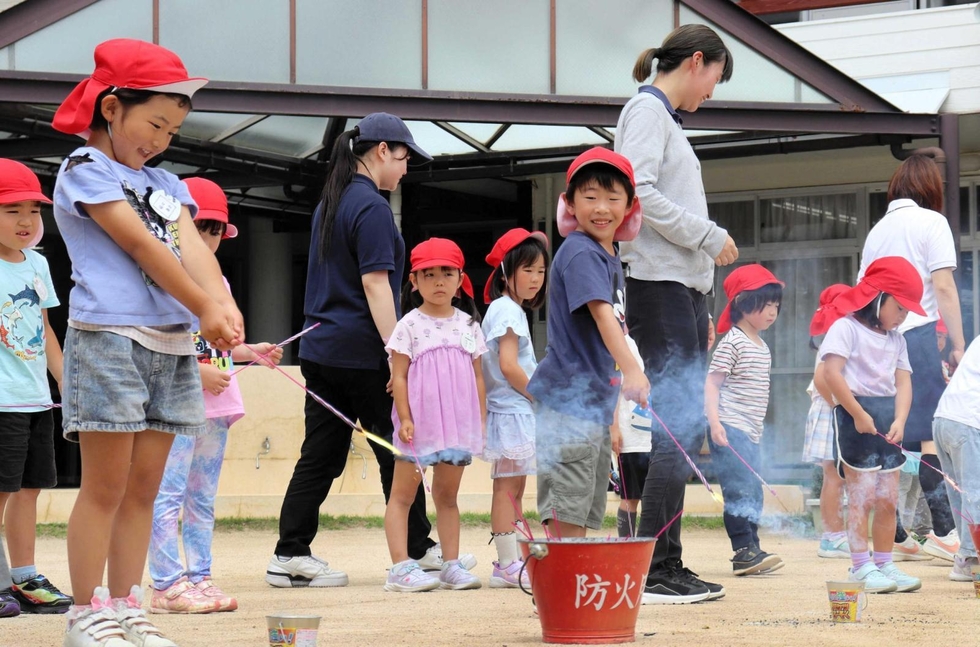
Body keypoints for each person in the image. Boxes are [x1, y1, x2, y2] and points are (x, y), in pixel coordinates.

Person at [51, 38, 244, 647]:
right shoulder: (84, 169)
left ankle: (128, 605)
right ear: (112, 108)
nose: (161, 140)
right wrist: (205, 307)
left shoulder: (167, 182)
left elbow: (193, 252)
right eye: (154, 123)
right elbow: (143, 246)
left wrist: (227, 306)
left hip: (168, 345)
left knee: (143, 489)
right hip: (108, 337)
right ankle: (85, 612)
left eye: (172, 129)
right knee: (104, 487)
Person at [267, 114, 460, 589]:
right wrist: (402, 354)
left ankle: (290, 551)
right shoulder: (371, 208)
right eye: (404, 157)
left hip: (323, 349)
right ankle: (415, 550)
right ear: (381, 151)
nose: (406, 168)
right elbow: (376, 285)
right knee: (401, 448)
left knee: (322, 453)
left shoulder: (331, 202)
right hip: (360, 351)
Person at [616, 25, 736, 603]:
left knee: (681, 426)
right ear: (696, 61)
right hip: (658, 285)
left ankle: (665, 562)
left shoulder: (666, 119)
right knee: (677, 424)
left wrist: (701, 289)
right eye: (715, 78)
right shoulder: (647, 111)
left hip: (679, 288)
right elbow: (635, 191)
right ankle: (657, 565)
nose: (712, 92)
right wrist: (708, 236)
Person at [148, 178, 283, 614]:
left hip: (217, 409)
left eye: (215, 230)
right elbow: (154, 343)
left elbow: (221, 343)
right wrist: (198, 372)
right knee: (167, 497)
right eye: (200, 226)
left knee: (201, 499)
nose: (206, 238)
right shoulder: (160, 278)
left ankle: (200, 578)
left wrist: (252, 351)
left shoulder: (218, 280)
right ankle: (167, 583)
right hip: (176, 405)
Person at [527, 147, 650, 542]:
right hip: (568, 401)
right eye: (590, 196)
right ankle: (562, 593)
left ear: (630, 205)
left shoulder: (608, 254)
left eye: (613, 198)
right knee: (569, 498)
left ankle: (570, 588)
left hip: (587, 402)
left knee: (584, 498)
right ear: (569, 203)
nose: (602, 208)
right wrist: (632, 370)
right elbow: (601, 315)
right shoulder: (581, 250)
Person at [858, 154, 962, 562]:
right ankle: (942, 527)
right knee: (927, 432)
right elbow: (944, 286)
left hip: (877, 337)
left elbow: (864, 292)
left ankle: (897, 532)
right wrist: (958, 342)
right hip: (916, 334)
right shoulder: (931, 223)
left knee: (889, 430)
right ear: (930, 188)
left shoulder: (877, 230)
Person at [384, 238, 487, 592]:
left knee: (447, 497)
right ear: (414, 281)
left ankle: (451, 565)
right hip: (419, 427)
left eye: (447, 273)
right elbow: (398, 376)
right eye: (429, 274)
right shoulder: (408, 326)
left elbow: (477, 376)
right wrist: (405, 417)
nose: (439, 281)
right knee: (402, 496)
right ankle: (399, 568)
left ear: (460, 279)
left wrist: (481, 419)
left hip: (457, 428)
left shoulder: (470, 325)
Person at [818, 257, 925, 594]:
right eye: (900, 307)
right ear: (878, 297)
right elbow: (831, 373)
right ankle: (860, 566)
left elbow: (904, 382)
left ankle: (885, 562)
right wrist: (857, 414)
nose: (903, 316)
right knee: (861, 497)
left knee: (888, 498)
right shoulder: (846, 328)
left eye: (908, 311)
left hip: (885, 417)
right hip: (854, 414)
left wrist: (901, 420)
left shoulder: (897, 340)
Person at [0, 159, 72, 615]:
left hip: (35, 399)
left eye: (33, 210)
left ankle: (24, 578)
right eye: (12, 210)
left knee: (29, 490)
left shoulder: (39, 264)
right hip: (1, 402)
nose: (26, 221)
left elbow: (45, 329)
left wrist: (66, 382)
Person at [705, 265, 785, 576]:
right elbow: (711, 384)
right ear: (742, 302)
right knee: (739, 490)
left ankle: (753, 545)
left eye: (776, 306)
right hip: (729, 428)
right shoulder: (732, 342)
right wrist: (715, 424)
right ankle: (742, 550)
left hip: (751, 433)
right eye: (766, 304)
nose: (772, 312)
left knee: (754, 490)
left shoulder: (762, 346)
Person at [480, 228, 548, 588]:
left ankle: (513, 558)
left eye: (540, 271)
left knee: (514, 490)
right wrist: (539, 396)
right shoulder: (508, 310)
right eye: (527, 270)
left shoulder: (506, 308)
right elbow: (508, 365)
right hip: (512, 410)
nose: (536, 279)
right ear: (507, 272)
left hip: (513, 410)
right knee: (507, 490)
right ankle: (506, 563)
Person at [805, 284, 851, 560]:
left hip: (832, 409)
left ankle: (834, 536)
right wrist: (839, 407)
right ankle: (832, 537)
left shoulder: (829, 332)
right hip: (830, 410)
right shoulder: (834, 332)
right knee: (834, 476)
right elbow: (822, 379)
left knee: (837, 477)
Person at [933, 335, 980, 582]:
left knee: (962, 494)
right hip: (969, 421)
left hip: (945, 419)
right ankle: (972, 557)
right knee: (975, 493)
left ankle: (967, 558)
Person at [610, 334, 651, 539]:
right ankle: (626, 546)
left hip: (652, 436)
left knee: (652, 498)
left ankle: (648, 550)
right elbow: (613, 386)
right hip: (630, 438)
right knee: (630, 497)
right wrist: (614, 426)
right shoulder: (621, 341)